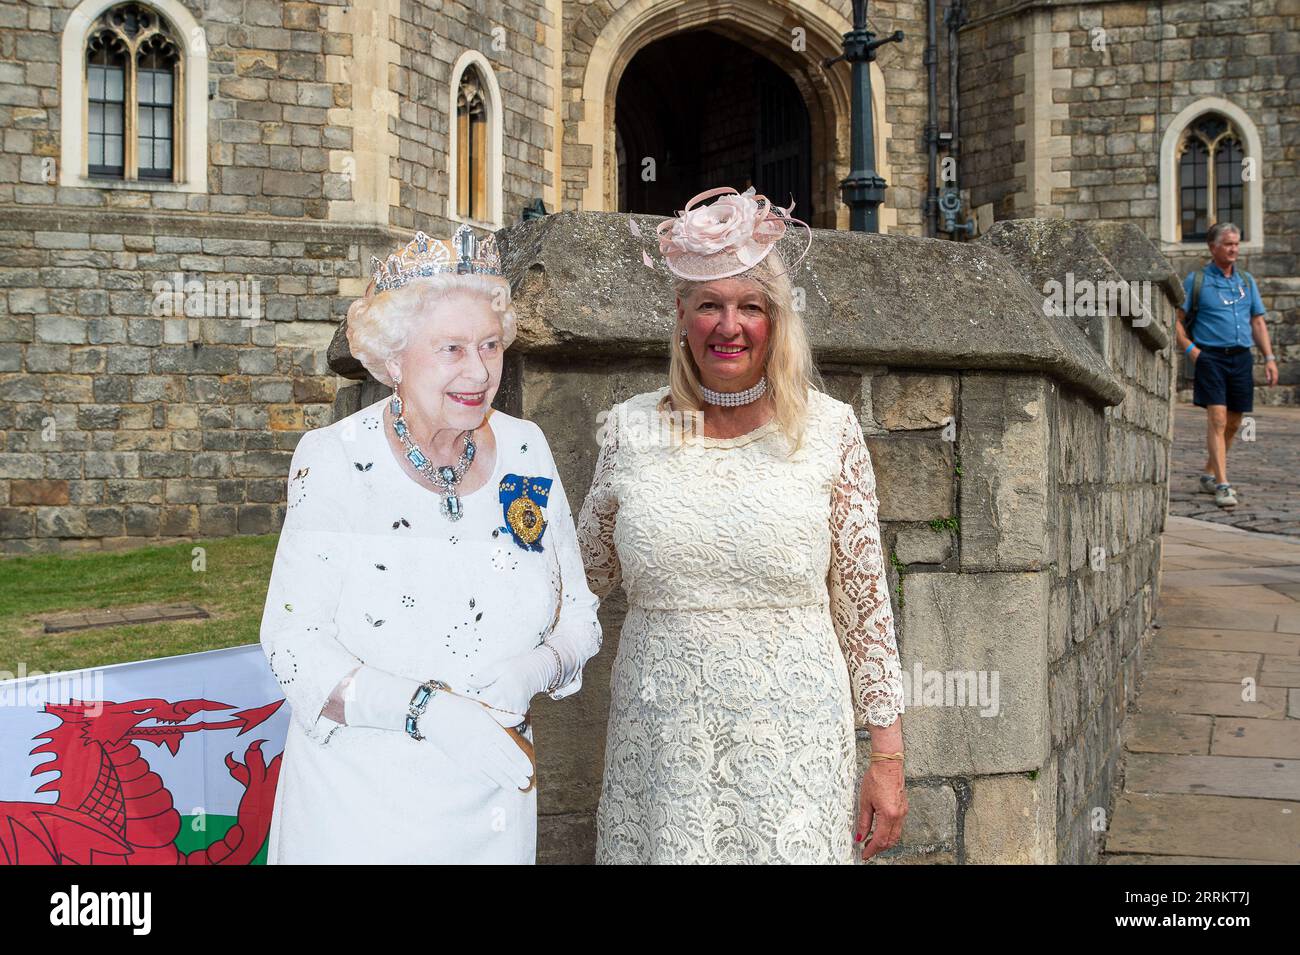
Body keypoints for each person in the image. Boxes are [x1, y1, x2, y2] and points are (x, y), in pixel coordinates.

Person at [576, 187, 907, 864]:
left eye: (750, 306)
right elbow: (579, 581)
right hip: (662, 756)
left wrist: (888, 757)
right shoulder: (631, 430)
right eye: (710, 304)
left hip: (793, 755)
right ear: (681, 315)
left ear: (777, 320)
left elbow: (866, 611)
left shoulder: (829, 431)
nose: (730, 325)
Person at [259, 226, 602, 863]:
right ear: (394, 360)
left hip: (493, 800)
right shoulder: (333, 459)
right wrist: (427, 711)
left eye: (491, 346)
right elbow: (292, 645)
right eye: (451, 349)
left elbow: (579, 614)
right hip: (361, 806)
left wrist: (535, 669)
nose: (478, 372)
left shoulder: (526, 449)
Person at [1174, 221, 1277, 509]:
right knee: (1217, 418)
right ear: (1213, 247)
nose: (1234, 249)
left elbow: (1257, 321)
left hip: (1241, 357)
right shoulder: (1197, 281)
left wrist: (1269, 358)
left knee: (1234, 422)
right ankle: (1222, 484)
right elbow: (1177, 321)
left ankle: (1208, 472)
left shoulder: (1246, 280)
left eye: (1236, 243)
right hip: (1211, 357)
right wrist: (1191, 349)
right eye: (1228, 243)